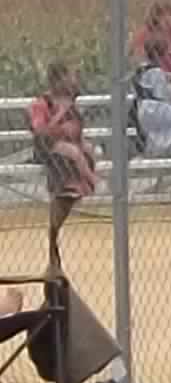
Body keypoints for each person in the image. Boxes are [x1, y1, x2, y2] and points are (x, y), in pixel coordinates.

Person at [29, 61, 98, 256]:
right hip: (47, 146)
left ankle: (83, 185)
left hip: (68, 144)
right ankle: (87, 182)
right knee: (73, 154)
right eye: (69, 77)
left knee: (88, 150)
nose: (74, 81)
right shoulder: (42, 104)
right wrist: (60, 118)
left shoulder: (71, 101)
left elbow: (78, 129)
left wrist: (78, 137)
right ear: (58, 80)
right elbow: (40, 131)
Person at [130, 0, 171, 74]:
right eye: (162, 15)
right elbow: (138, 58)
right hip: (156, 77)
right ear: (155, 15)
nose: (167, 19)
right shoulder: (146, 33)